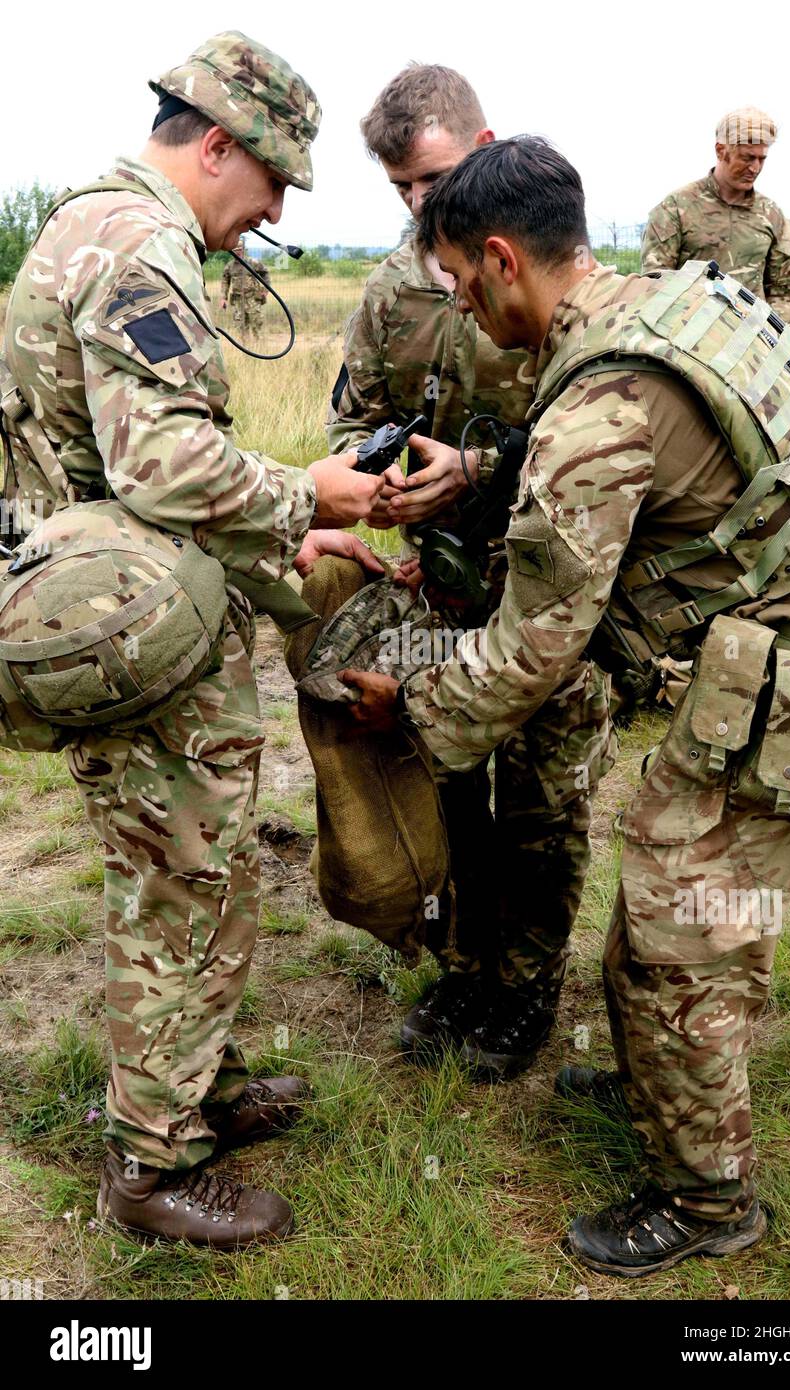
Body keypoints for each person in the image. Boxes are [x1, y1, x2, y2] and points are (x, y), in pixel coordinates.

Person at [341, 135, 790, 1275]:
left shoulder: (598, 403)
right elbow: (643, 467)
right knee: (669, 922)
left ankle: (706, 1200)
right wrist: (479, 474)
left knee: (679, 945)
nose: (464, 311)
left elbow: (533, 648)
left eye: (461, 285)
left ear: (496, 259)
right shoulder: (664, 302)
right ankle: (659, 1080)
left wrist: (413, 711)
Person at [2, 30, 383, 1248]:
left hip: (138, 604)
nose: (265, 219)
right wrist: (307, 498)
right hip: (134, 628)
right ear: (216, 146)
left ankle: (193, 1088)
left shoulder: (97, 222)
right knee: (178, 883)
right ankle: (151, 1167)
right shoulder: (140, 243)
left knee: (206, 873)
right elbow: (158, 460)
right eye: (269, 188)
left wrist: (289, 557)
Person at [327, 64, 614, 1080]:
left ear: (484, 145)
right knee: (442, 786)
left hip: (548, 590)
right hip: (437, 588)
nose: (420, 206)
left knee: (542, 802)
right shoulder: (390, 293)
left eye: (435, 179)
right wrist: (381, 479)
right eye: (401, 189)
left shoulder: (548, 276)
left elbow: (594, 437)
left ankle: (525, 982)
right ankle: (458, 962)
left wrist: (474, 472)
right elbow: (351, 417)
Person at [641, 106, 790, 331]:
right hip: (688, 345)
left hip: (752, 347)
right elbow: (655, 286)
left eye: (761, 159)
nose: (755, 168)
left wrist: (782, 352)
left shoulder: (773, 217)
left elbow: (785, 293)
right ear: (720, 150)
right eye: (747, 157)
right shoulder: (674, 209)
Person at [221, 238, 271, 336]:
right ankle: (245, 348)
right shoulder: (230, 266)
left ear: (243, 250)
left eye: (239, 250)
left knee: (257, 325)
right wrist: (223, 298)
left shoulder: (253, 263)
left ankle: (259, 348)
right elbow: (225, 281)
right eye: (234, 251)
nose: (237, 253)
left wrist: (265, 290)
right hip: (238, 300)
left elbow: (265, 273)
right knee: (241, 327)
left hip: (252, 298)